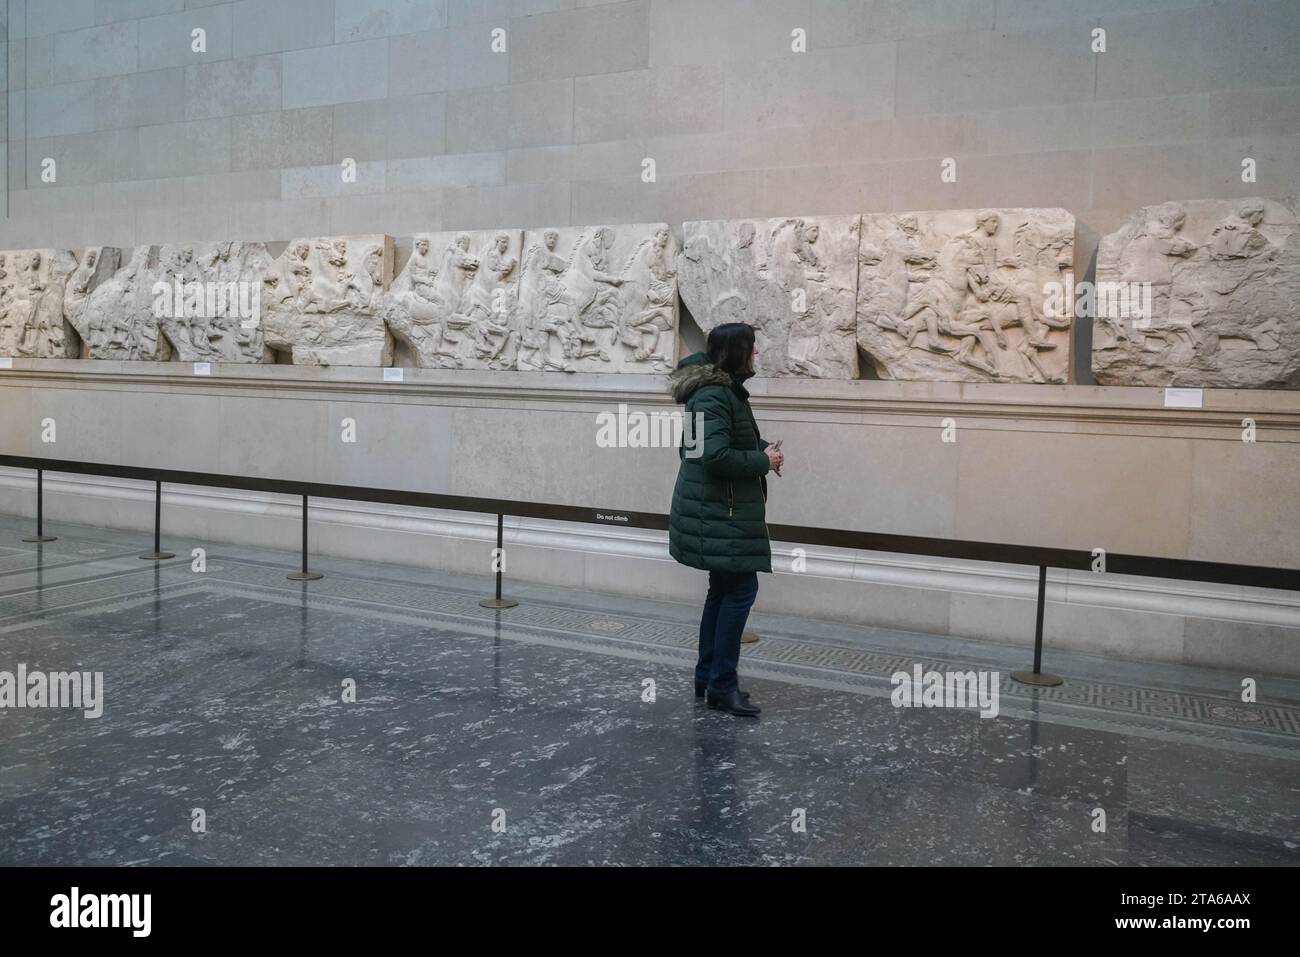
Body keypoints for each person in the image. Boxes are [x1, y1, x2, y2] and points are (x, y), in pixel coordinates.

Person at [668, 322, 784, 717]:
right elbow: (712, 457)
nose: (756, 356)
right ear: (736, 352)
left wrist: (761, 448)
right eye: (751, 349)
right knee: (739, 592)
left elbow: (723, 442)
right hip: (723, 513)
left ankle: (709, 677)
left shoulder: (720, 392)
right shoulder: (713, 395)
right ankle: (720, 684)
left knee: (723, 591)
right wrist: (762, 461)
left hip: (721, 512)